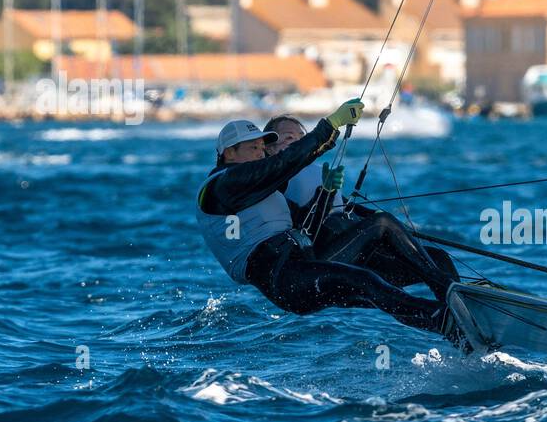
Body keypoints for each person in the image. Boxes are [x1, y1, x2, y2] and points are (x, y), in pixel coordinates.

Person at [195, 103, 466, 346]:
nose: (260, 153)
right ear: (229, 153)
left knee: (432, 260)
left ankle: (465, 314)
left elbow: (307, 228)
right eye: (253, 147)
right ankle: (446, 321)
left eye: (261, 147)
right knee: (370, 259)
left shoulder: (263, 194)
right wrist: (329, 127)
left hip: (306, 263)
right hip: (284, 280)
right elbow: (281, 164)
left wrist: (325, 192)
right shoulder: (223, 185)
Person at [262, 114, 461, 292]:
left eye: (302, 138)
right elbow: (307, 225)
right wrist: (327, 192)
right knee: (382, 222)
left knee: (439, 258)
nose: (298, 143)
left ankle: (461, 307)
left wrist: (392, 229)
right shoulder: (274, 181)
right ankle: (443, 285)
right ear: (270, 149)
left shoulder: (315, 170)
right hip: (325, 261)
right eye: (289, 138)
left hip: (356, 251)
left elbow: (346, 208)